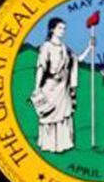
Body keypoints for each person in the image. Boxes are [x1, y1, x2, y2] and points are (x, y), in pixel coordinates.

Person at [30, 17, 79, 153]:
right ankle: (49, 145)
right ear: (52, 29)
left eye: (64, 28)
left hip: (63, 87)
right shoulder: (46, 47)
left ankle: (63, 144)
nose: (63, 31)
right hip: (50, 87)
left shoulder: (64, 47)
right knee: (49, 115)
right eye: (60, 28)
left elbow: (76, 60)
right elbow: (41, 67)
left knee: (63, 115)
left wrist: (90, 47)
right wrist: (36, 87)